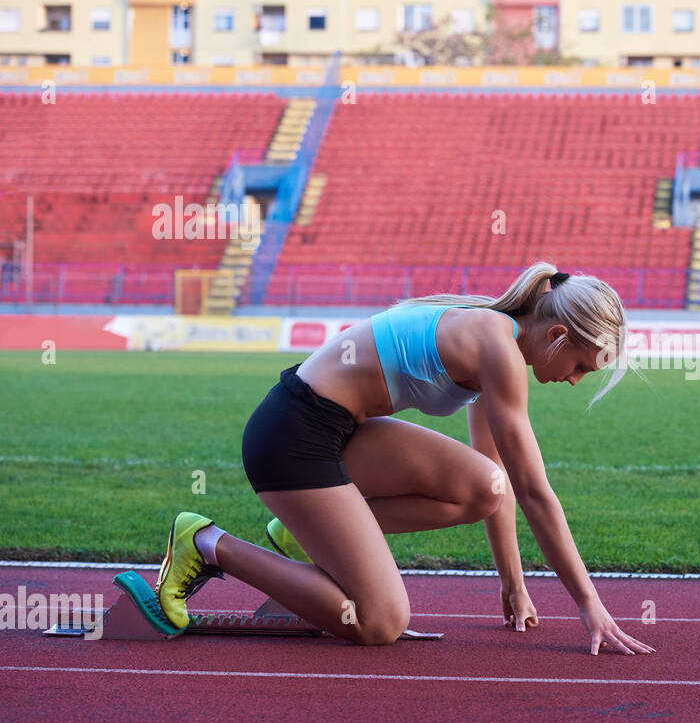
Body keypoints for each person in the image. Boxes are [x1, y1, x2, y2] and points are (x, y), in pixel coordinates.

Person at [154, 262, 654, 656]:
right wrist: (589, 604)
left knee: (484, 485)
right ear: (558, 336)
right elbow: (536, 492)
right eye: (581, 367)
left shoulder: (497, 342)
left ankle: (297, 535)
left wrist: (513, 583)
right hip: (290, 438)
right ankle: (206, 542)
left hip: (341, 432)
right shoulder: (496, 346)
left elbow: (497, 476)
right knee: (380, 622)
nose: (573, 380)